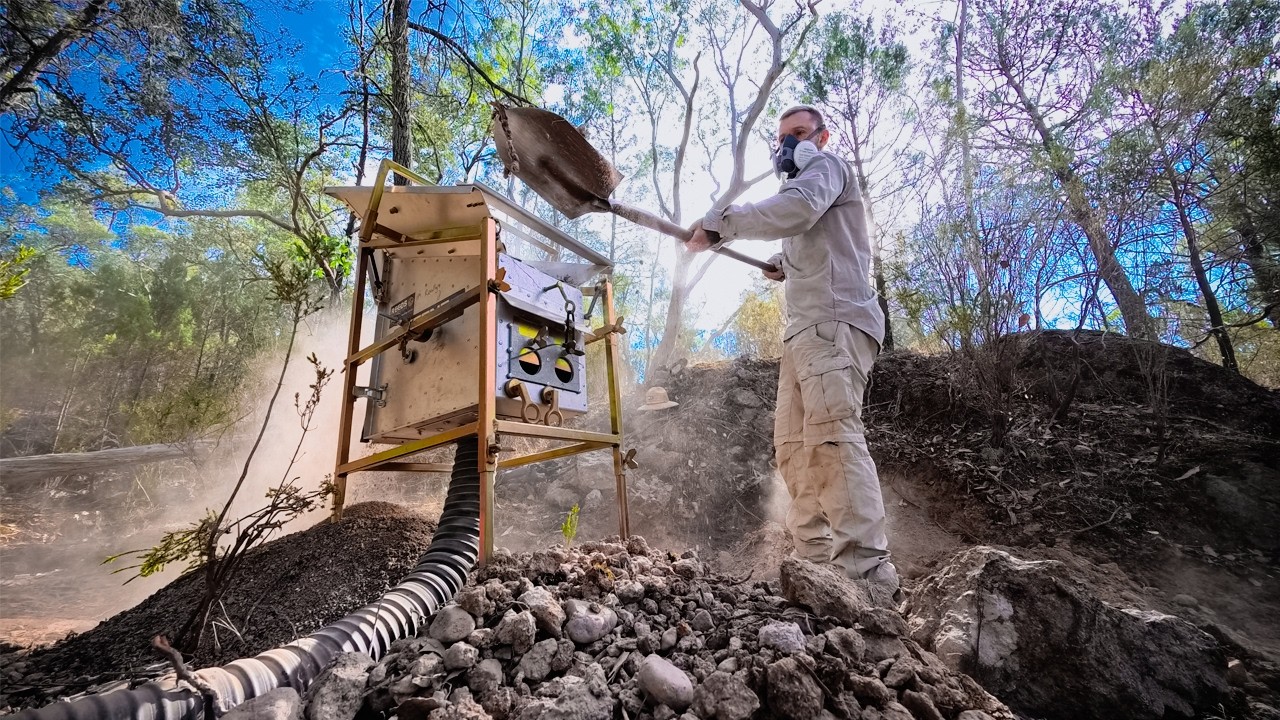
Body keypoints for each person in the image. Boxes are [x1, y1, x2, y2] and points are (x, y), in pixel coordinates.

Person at [687, 105, 898, 595]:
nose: (786, 146)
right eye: (781, 139)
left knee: (832, 439)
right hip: (803, 332)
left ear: (820, 138)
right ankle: (819, 571)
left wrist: (721, 222)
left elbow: (799, 209)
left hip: (835, 321)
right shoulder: (804, 189)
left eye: (797, 135)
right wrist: (784, 262)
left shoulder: (826, 167)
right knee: (793, 451)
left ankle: (868, 577)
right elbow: (810, 231)